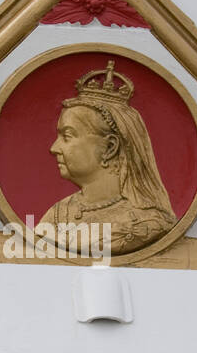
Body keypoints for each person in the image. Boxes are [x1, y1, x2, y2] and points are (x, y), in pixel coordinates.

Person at [38, 61, 177, 255]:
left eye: (67, 136)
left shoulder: (150, 223)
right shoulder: (56, 216)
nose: (54, 148)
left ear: (110, 147)